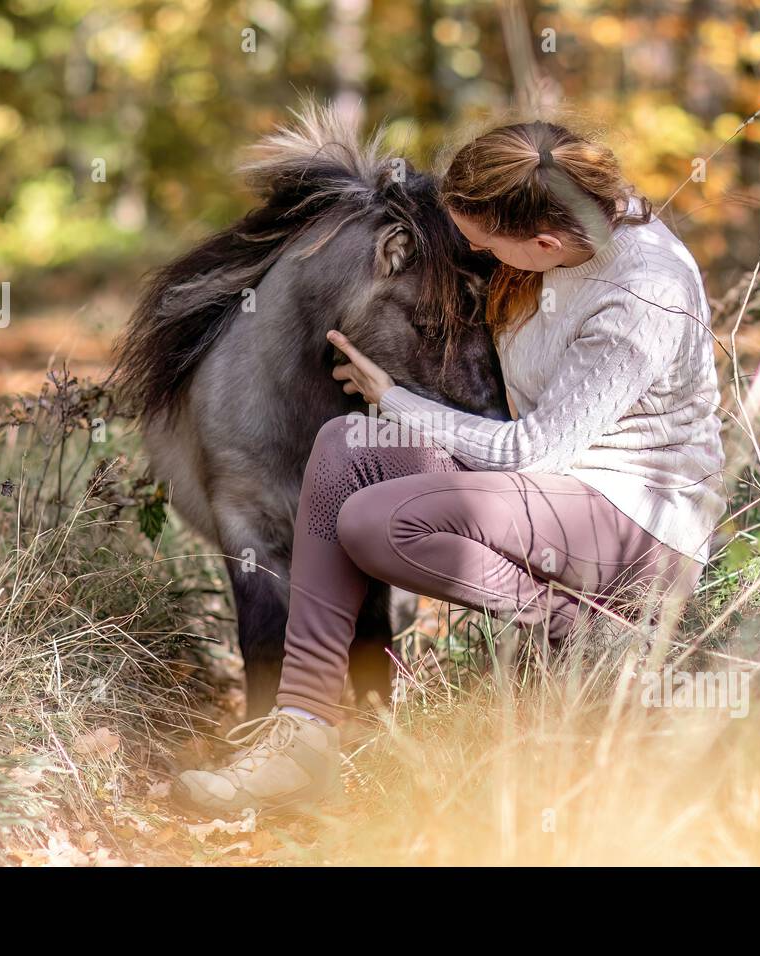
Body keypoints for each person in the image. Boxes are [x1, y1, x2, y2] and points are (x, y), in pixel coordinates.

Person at [177, 119, 726, 813]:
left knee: (377, 522)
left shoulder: (641, 298)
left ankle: (579, 626)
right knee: (345, 444)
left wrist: (395, 398)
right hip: (545, 490)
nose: (470, 252)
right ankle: (303, 736)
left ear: (543, 244)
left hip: (634, 519)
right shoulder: (553, 222)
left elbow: (533, 450)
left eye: (480, 243)